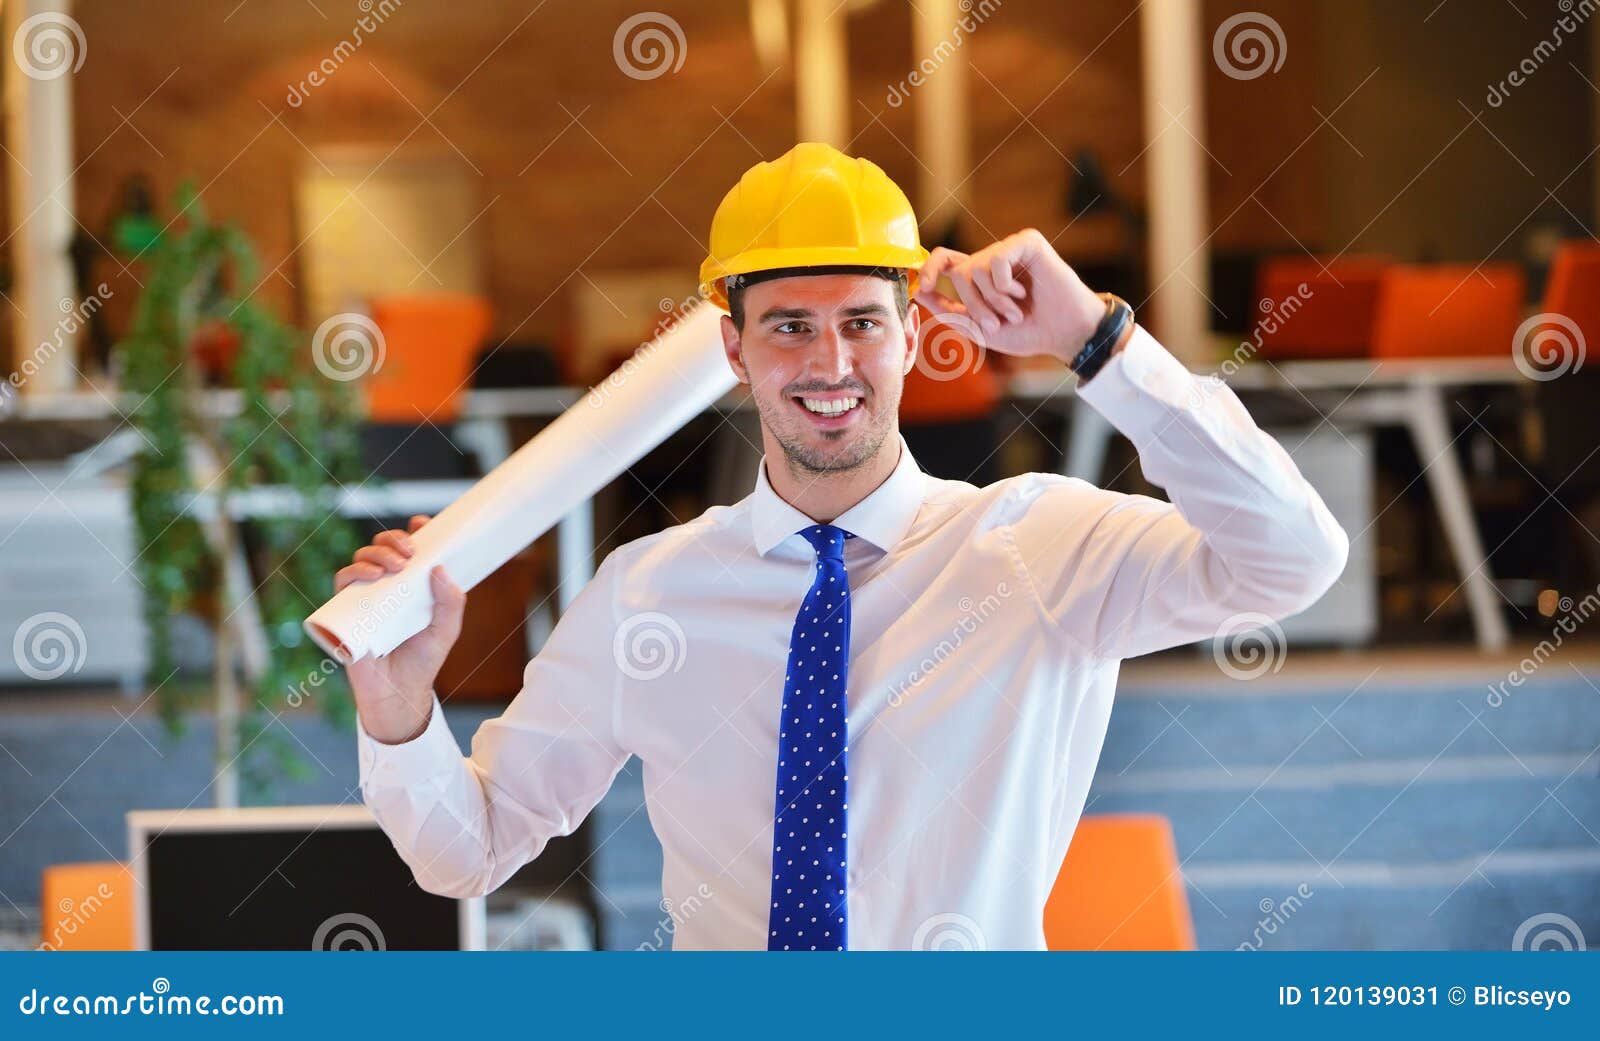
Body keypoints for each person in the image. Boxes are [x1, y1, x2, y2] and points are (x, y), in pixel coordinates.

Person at [336, 142, 1348, 950]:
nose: (830, 362)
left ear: (912, 337)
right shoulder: (648, 592)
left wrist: (1098, 342)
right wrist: (398, 714)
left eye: (863, 321)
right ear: (731, 350)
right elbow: (463, 857)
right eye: (787, 327)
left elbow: (1293, 559)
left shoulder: (1036, 544)